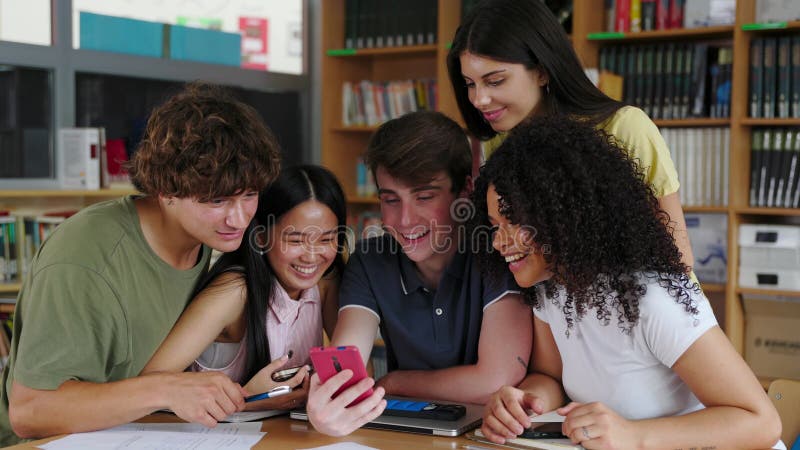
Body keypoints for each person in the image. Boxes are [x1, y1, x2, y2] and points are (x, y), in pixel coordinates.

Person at [470, 115, 782, 449]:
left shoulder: (652, 297)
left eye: (513, 221)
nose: (498, 242)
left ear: (564, 214)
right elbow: (551, 376)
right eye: (494, 224)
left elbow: (760, 422)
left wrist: (634, 436)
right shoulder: (550, 288)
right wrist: (526, 402)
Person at [0, 83, 282, 445]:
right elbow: (29, 412)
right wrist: (165, 389)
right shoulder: (85, 259)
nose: (240, 219)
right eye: (217, 200)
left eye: (250, 195)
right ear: (166, 189)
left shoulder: (210, 243)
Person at [306, 111, 532, 437]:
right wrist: (330, 401)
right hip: (406, 436)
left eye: (424, 197)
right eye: (390, 200)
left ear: (465, 190)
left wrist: (395, 382)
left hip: (494, 437)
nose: (405, 220)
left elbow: (496, 379)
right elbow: (345, 361)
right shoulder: (370, 260)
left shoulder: (497, 249)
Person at [447, 0, 695, 270]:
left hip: (638, 303)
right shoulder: (500, 142)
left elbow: (677, 256)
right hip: (553, 307)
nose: (479, 99)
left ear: (542, 71)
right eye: (470, 84)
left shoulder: (624, 127)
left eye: (495, 81)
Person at [142, 165, 346, 411]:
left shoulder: (325, 283)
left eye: (326, 239)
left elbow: (356, 374)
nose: (312, 257)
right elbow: (149, 386)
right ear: (260, 236)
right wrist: (248, 399)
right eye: (295, 240)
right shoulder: (234, 292)